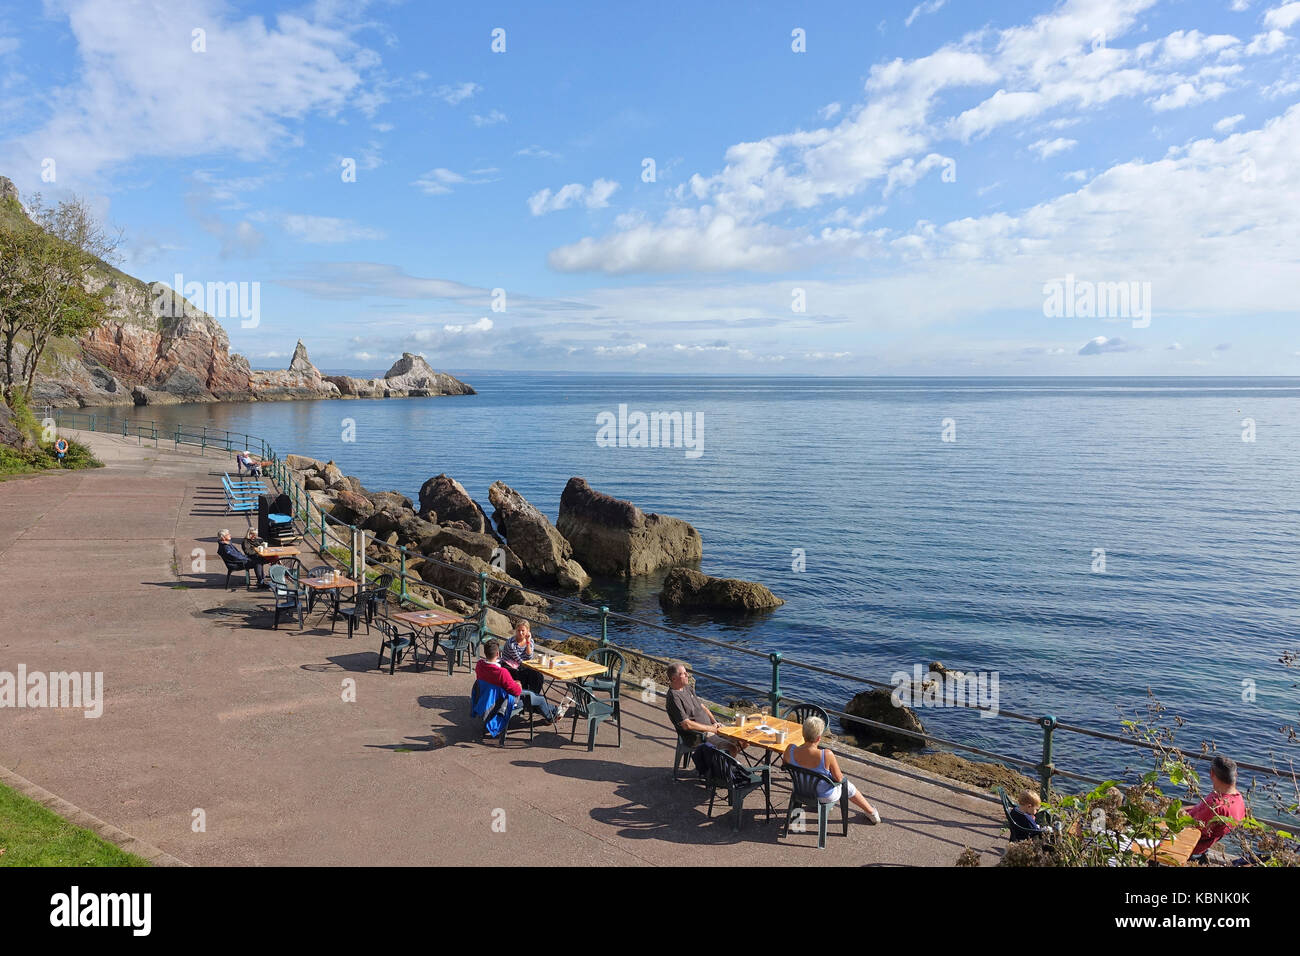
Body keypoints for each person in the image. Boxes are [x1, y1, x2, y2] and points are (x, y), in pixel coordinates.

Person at [783, 716, 882, 824]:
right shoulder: (826, 754)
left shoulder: (790, 749)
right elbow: (839, 779)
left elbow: (785, 765)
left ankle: (870, 812)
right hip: (823, 797)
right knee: (847, 785)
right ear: (818, 738)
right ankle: (871, 812)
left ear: (803, 734)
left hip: (800, 792)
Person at [475, 639, 566, 724]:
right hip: (502, 702)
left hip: (487, 698)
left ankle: (554, 710)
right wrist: (517, 684)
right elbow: (517, 691)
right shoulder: (502, 672)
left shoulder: (479, 665)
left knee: (533, 698)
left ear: (485, 652)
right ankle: (551, 717)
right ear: (498, 654)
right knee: (538, 698)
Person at [664, 661, 743, 757]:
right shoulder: (674, 697)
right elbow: (686, 724)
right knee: (731, 748)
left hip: (711, 728)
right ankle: (721, 768)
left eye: (686, 672)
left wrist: (715, 723)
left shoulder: (687, 688)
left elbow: (703, 708)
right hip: (698, 735)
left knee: (742, 740)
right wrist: (712, 729)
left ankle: (719, 763)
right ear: (674, 678)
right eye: (683, 674)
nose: (687, 675)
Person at [1184, 755, 1246, 860]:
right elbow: (1200, 809)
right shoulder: (1237, 799)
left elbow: (1190, 828)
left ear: (1212, 773)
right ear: (1235, 775)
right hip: (1203, 842)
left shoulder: (1216, 806)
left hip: (1190, 845)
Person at [500, 617, 545, 695]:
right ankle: (526, 696)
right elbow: (519, 660)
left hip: (522, 665)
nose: (520, 633)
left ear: (528, 631)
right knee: (526, 674)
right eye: (518, 630)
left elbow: (529, 657)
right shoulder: (511, 643)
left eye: (523, 630)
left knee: (539, 676)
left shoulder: (530, 641)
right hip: (510, 666)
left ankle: (534, 695)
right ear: (516, 630)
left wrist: (527, 642)